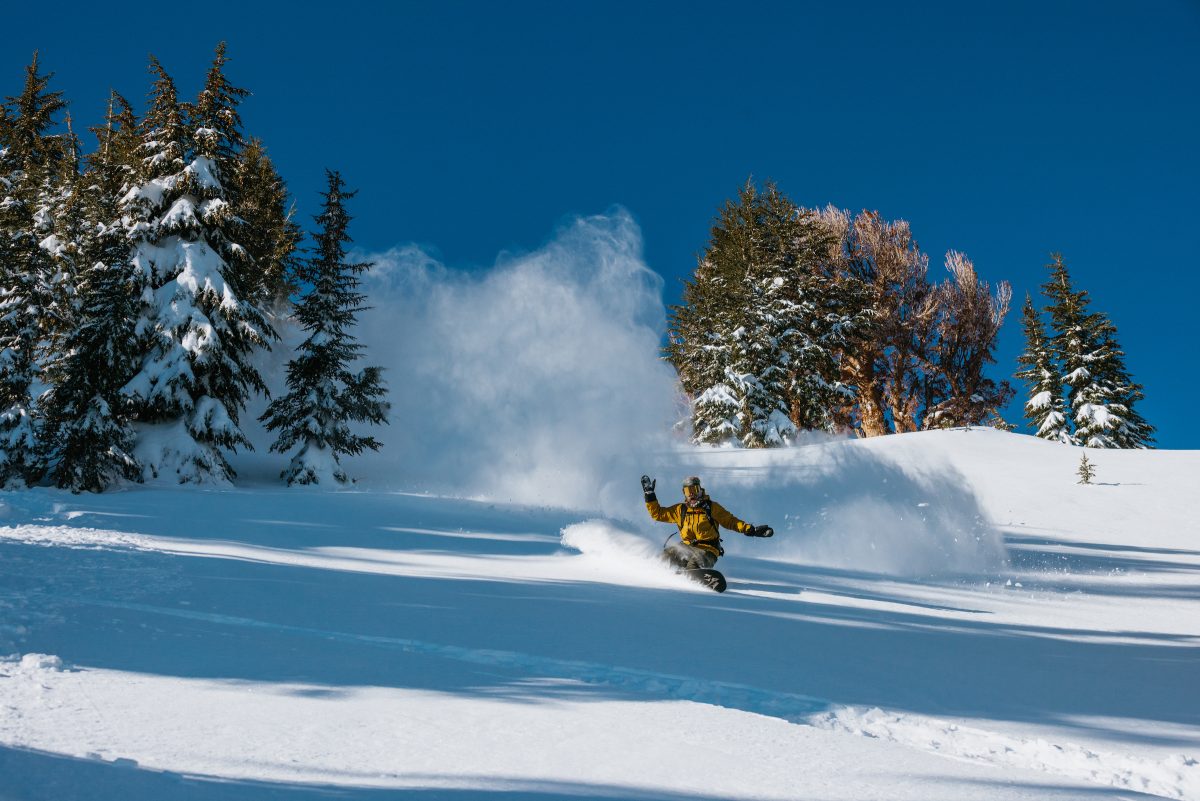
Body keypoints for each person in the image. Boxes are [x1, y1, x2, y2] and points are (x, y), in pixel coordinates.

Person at [641, 474, 773, 570]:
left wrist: (750, 529)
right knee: (666, 556)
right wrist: (649, 495)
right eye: (688, 491)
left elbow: (730, 521)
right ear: (684, 493)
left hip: (708, 550)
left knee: (695, 562)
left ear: (700, 490)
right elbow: (658, 514)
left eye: (694, 490)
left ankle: (692, 575)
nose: (692, 495)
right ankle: (661, 574)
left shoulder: (711, 507)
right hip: (687, 546)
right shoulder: (680, 510)